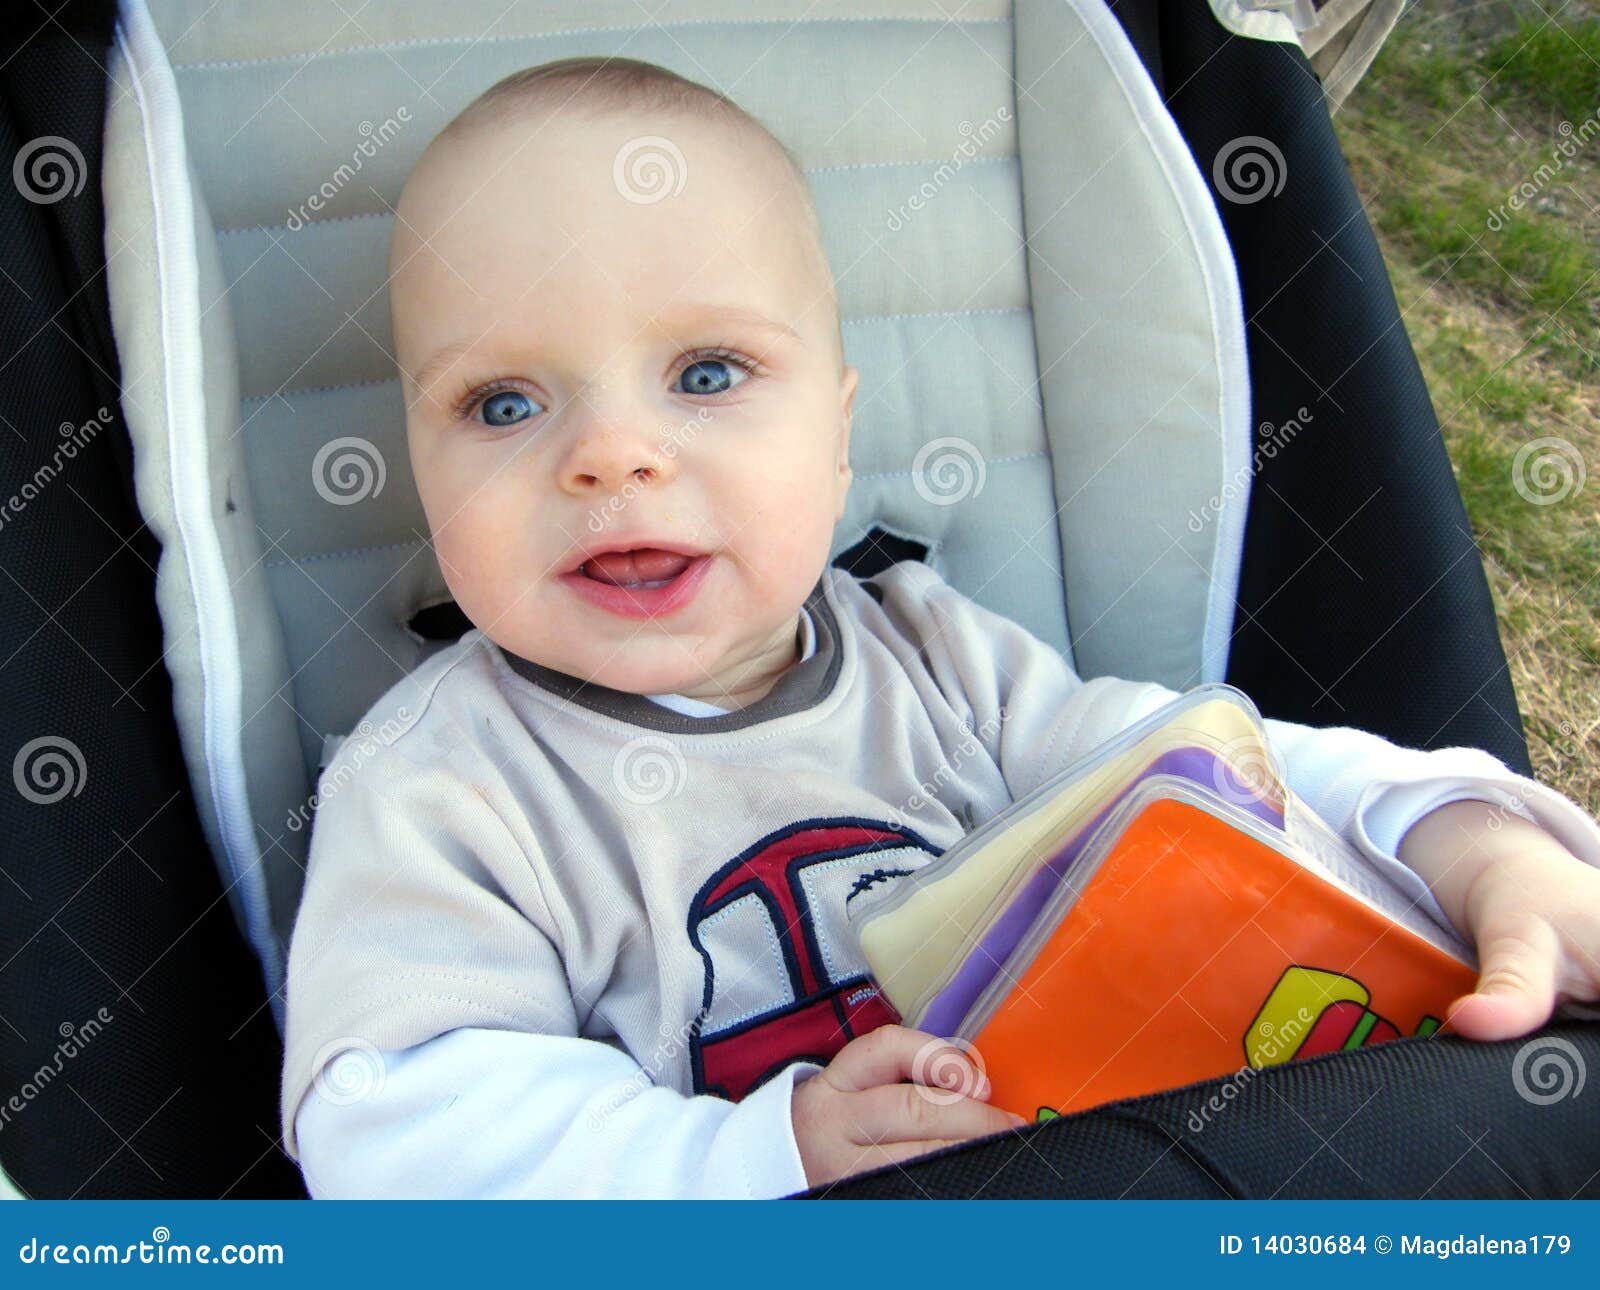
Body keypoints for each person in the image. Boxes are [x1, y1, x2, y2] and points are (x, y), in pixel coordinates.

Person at [279, 56, 1600, 1199]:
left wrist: (1466, 842)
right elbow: (394, 1125)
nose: (612, 455)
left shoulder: (939, 658)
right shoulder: (439, 782)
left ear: (841, 434)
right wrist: (767, 1152)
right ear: (415, 459)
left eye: (708, 373)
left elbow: (1214, 773)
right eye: (504, 404)